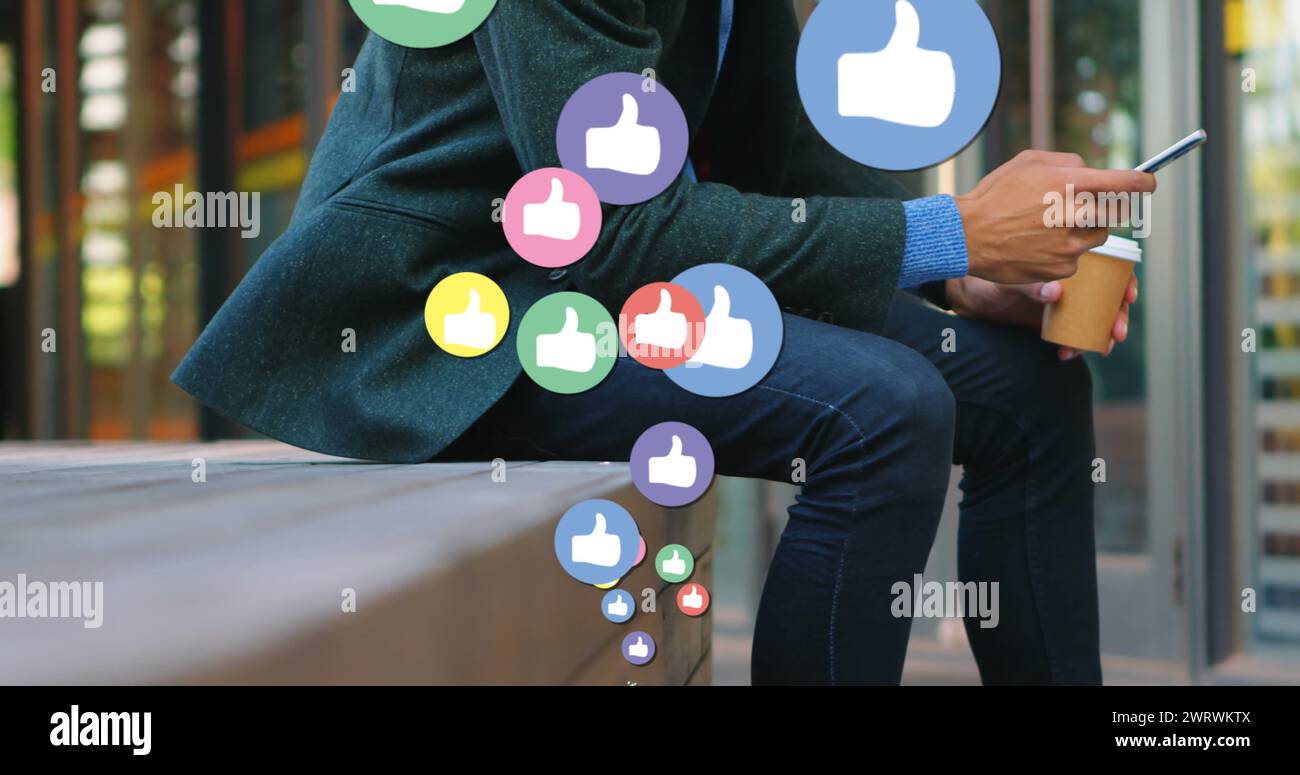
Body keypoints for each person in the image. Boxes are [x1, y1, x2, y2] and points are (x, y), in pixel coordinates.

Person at [172, 0, 1155, 684]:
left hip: (616, 279)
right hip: (465, 311)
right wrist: (953, 231)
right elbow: (611, 228)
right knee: (883, 410)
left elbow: (777, 154)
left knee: (1026, 390)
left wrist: (959, 272)